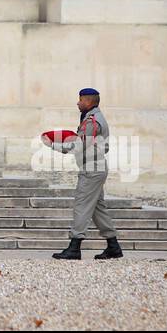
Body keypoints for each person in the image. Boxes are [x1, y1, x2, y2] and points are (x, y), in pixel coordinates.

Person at [49, 88, 122, 261]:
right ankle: (113, 246)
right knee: (98, 209)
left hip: (91, 169)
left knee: (81, 206)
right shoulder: (92, 117)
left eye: (80, 99)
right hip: (95, 167)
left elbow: (79, 146)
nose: (78, 102)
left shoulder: (91, 121)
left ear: (89, 101)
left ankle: (75, 247)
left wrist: (53, 145)